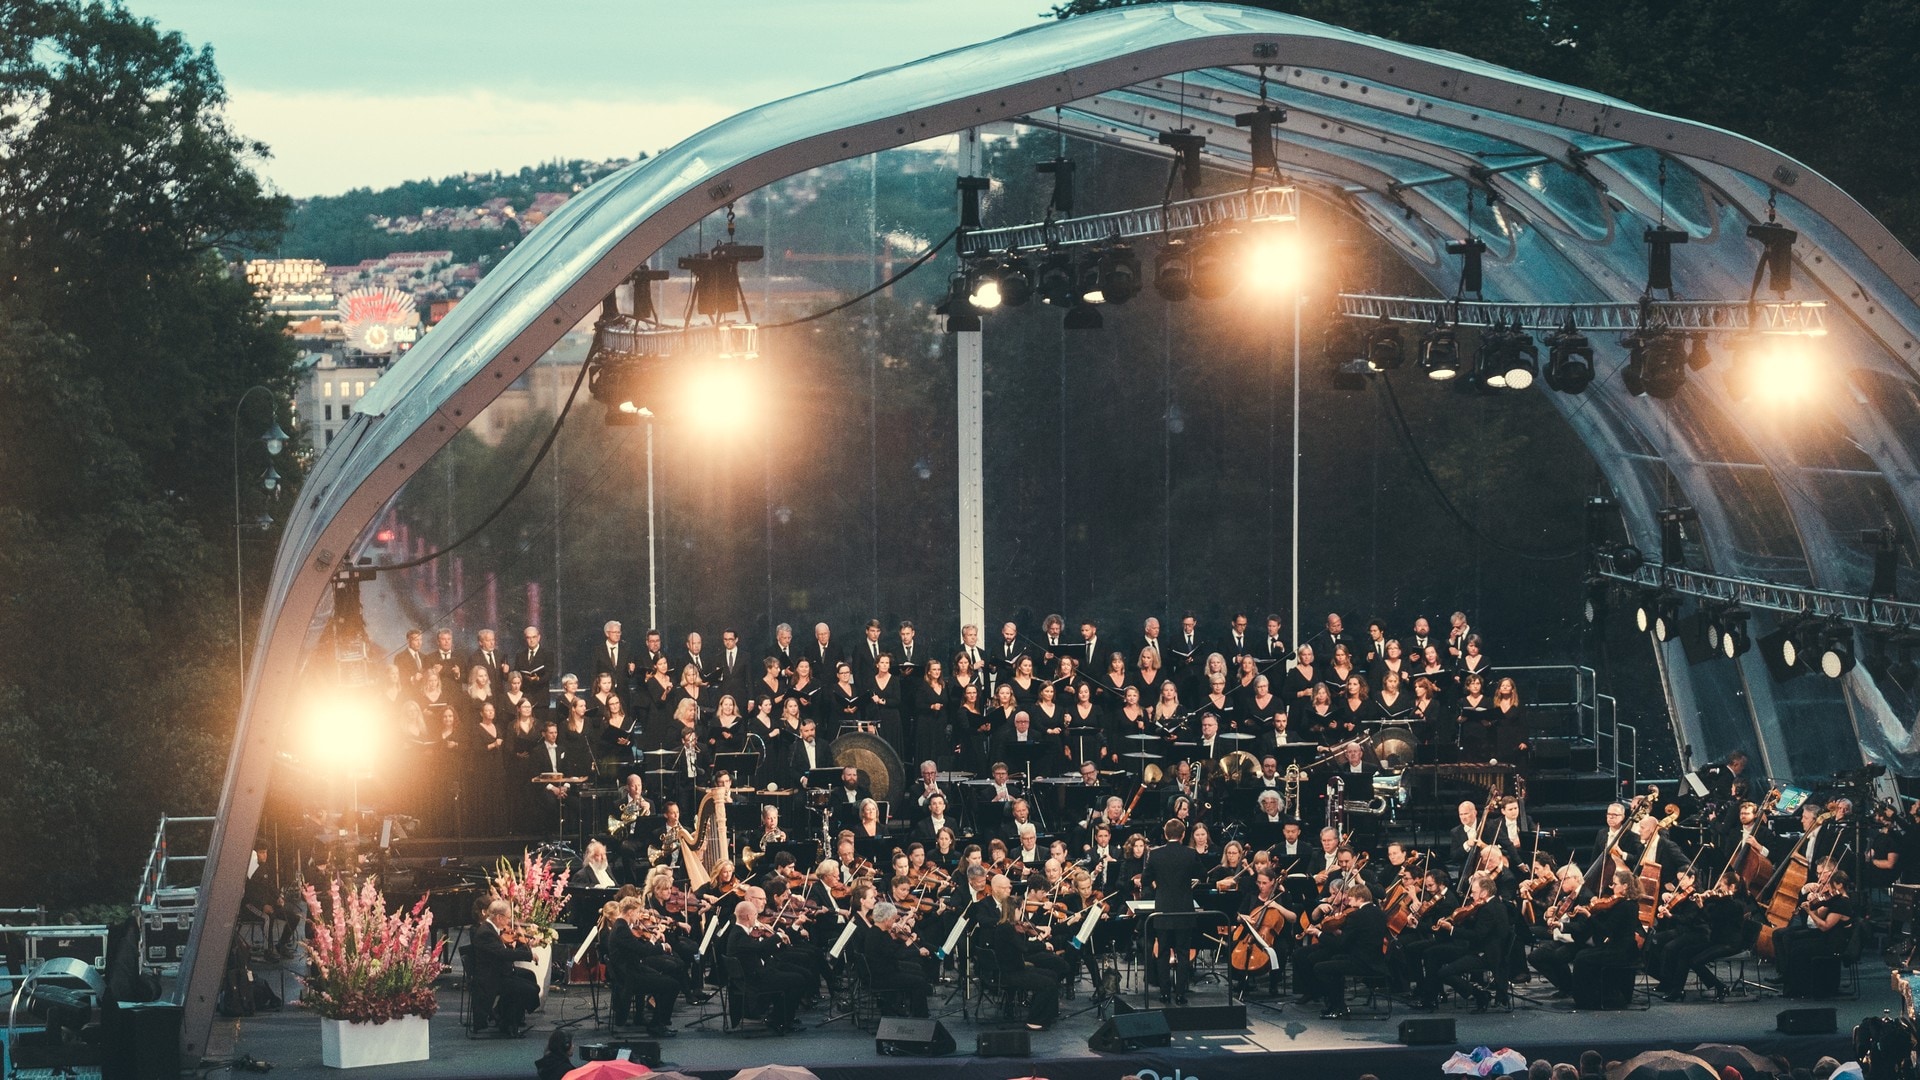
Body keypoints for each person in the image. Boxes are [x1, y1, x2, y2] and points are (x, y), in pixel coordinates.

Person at [724, 900, 808, 1034]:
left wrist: (777, 943)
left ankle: (778, 1016)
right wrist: (778, 936)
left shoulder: (738, 932)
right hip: (753, 981)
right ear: (748, 917)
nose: (756, 919)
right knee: (798, 980)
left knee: (793, 976)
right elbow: (759, 947)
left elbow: (758, 950)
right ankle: (781, 1020)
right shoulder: (739, 935)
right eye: (755, 915)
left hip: (753, 975)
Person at [1142, 818, 1201, 1004]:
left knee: (1163, 952)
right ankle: (1181, 994)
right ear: (1183, 835)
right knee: (1183, 952)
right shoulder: (1190, 854)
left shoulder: (1155, 854)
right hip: (1184, 909)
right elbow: (1203, 874)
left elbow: (1145, 879)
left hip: (1163, 910)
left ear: (1165, 834)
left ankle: (1165, 993)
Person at [606, 898, 680, 1037]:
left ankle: (657, 1022)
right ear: (630, 912)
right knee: (673, 985)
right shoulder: (621, 929)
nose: (639, 915)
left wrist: (653, 942)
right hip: (629, 977)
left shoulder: (620, 926)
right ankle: (659, 1024)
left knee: (663, 979)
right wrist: (661, 946)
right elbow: (642, 950)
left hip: (631, 971)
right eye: (637, 912)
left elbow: (637, 949)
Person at [469, 899, 539, 1036]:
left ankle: (504, 1015)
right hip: (491, 978)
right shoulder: (486, 933)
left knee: (529, 975)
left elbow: (500, 951)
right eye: (507, 918)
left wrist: (525, 946)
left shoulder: (491, 929)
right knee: (531, 989)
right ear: (499, 917)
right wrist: (528, 955)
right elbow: (502, 953)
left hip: (498, 971)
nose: (508, 921)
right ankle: (508, 1024)